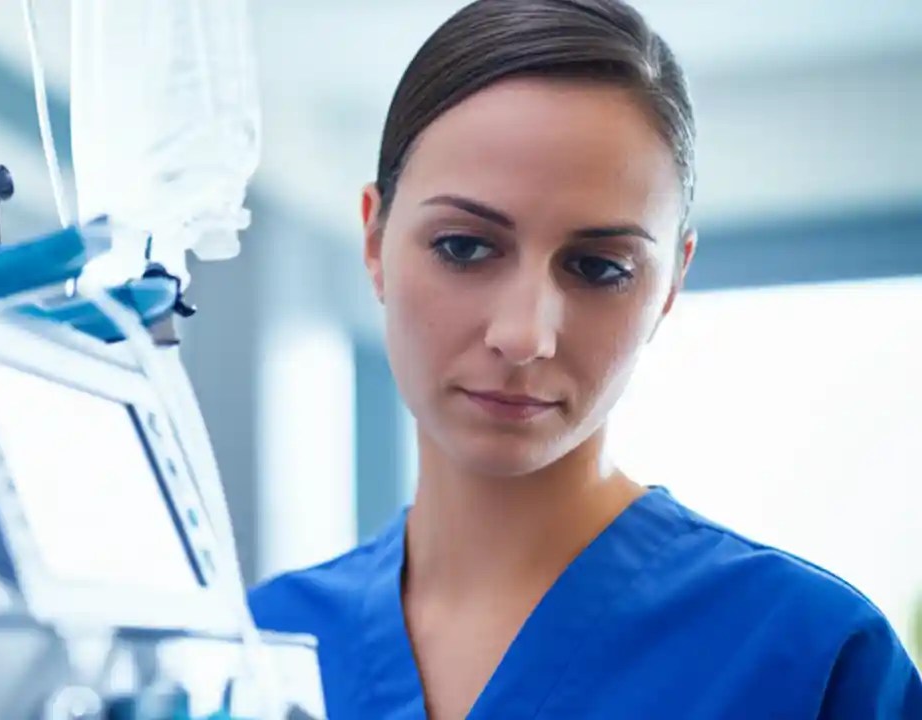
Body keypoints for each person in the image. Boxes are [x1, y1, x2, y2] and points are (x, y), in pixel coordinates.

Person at [247, 1, 922, 718]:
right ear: (375, 242)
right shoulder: (250, 651)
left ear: (671, 285)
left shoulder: (812, 659)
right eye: (464, 247)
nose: (524, 335)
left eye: (599, 268)